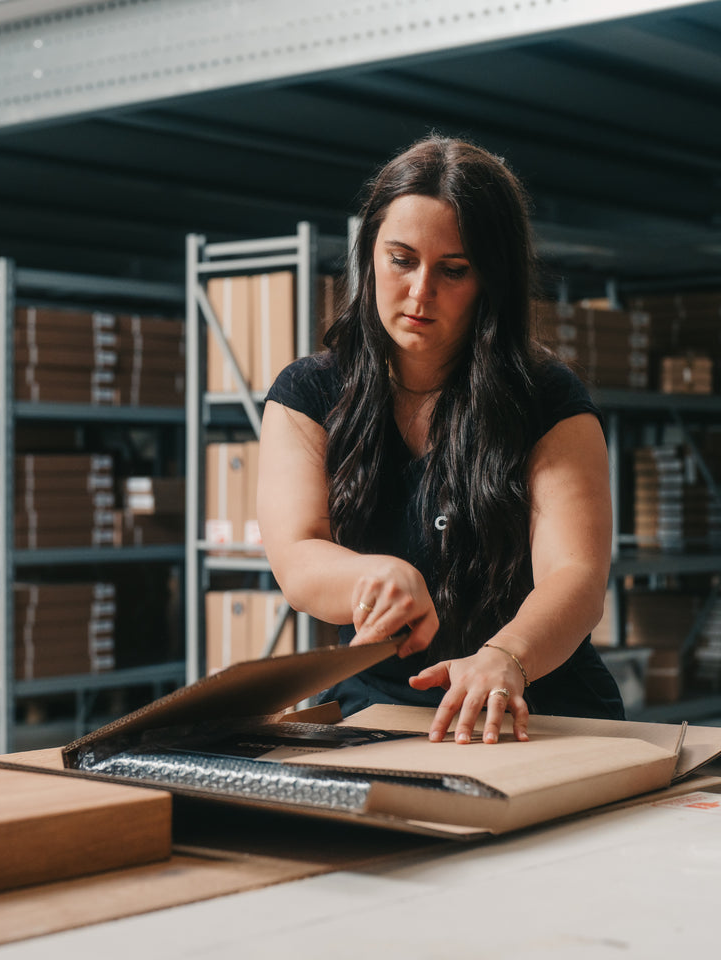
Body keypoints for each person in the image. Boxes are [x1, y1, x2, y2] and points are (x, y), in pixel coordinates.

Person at [257, 135, 622, 748]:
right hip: (378, 717)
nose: (421, 291)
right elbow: (297, 554)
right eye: (402, 260)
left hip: (541, 716)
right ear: (369, 254)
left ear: (491, 281)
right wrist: (373, 576)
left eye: (454, 271)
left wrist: (507, 654)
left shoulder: (548, 400)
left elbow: (575, 574)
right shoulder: (309, 394)